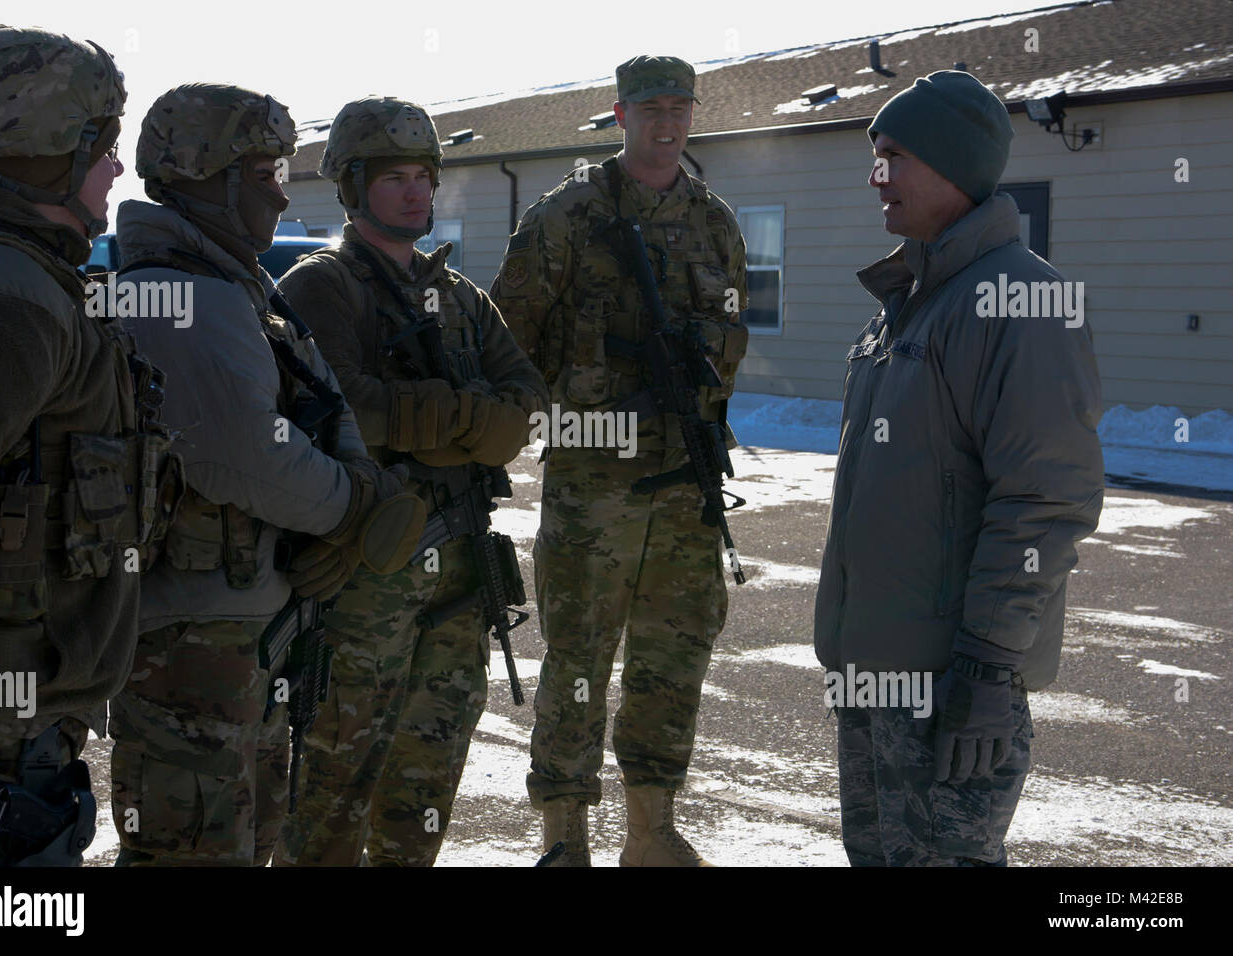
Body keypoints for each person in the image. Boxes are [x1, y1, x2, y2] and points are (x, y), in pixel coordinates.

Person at [108, 84, 425, 866]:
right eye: (265, 174)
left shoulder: (236, 288)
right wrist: (357, 508)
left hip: (247, 628)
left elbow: (328, 406)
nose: (282, 195)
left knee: (254, 839)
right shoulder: (176, 293)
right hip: (186, 642)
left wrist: (352, 502)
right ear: (208, 177)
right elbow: (251, 455)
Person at [813, 70, 1104, 866]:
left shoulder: (1022, 303)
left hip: (950, 683)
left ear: (956, 168)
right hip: (874, 677)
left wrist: (987, 665)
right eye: (876, 155)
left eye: (897, 155)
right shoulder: (910, 302)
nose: (879, 175)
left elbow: (1047, 501)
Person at [273, 97, 547, 867]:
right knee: (332, 781)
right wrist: (463, 415)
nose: (416, 192)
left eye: (424, 175)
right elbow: (345, 409)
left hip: (462, 574)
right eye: (394, 177)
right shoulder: (320, 286)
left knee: (425, 785)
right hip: (367, 577)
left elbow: (526, 408)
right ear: (354, 188)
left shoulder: (461, 299)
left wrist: (437, 419)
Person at [490, 56, 750, 866]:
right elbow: (509, 344)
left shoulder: (716, 224)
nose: (667, 123)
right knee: (579, 658)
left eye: (680, 107)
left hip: (686, 484)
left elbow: (732, 339)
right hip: (594, 485)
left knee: (675, 654)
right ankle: (564, 836)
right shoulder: (568, 215)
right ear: (619, 114)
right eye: (650, 108)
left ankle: (651, 829)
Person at [0, 25, 179, 865]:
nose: (118, 168)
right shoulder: (7, 300)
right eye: (102, 144)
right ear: (46, 154)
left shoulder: (9, 279)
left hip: (0, 749)